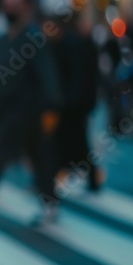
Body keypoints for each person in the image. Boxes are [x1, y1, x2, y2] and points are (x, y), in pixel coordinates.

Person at [0, 0, 63, 225]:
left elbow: (47, 73)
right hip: (5, 107)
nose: (8, 9)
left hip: (26, 107)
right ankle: (49, 201)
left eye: (13, 4)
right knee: (35, 155)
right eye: (6, 4)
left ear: (26, 8)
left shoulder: (33, 37)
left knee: (4, 149)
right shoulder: (4, 38)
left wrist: (51, 105)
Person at [51, 16, 101, 192]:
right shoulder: (79, 43)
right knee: (72, 142)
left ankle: (50, 180)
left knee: (72, 141)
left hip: (74, 104)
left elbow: (78, 77)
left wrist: (69, 100)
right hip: (77, 103)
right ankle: (52, 178)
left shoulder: (73, 44)